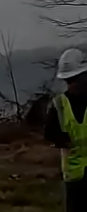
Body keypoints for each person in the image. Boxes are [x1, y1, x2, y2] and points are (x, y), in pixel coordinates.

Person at [45, 48, 87, 212]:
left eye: (75, 79)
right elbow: (49, 133)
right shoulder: (59, 105)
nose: (72, 84)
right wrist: (61, 140)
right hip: (74, 174)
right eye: (69, 80)